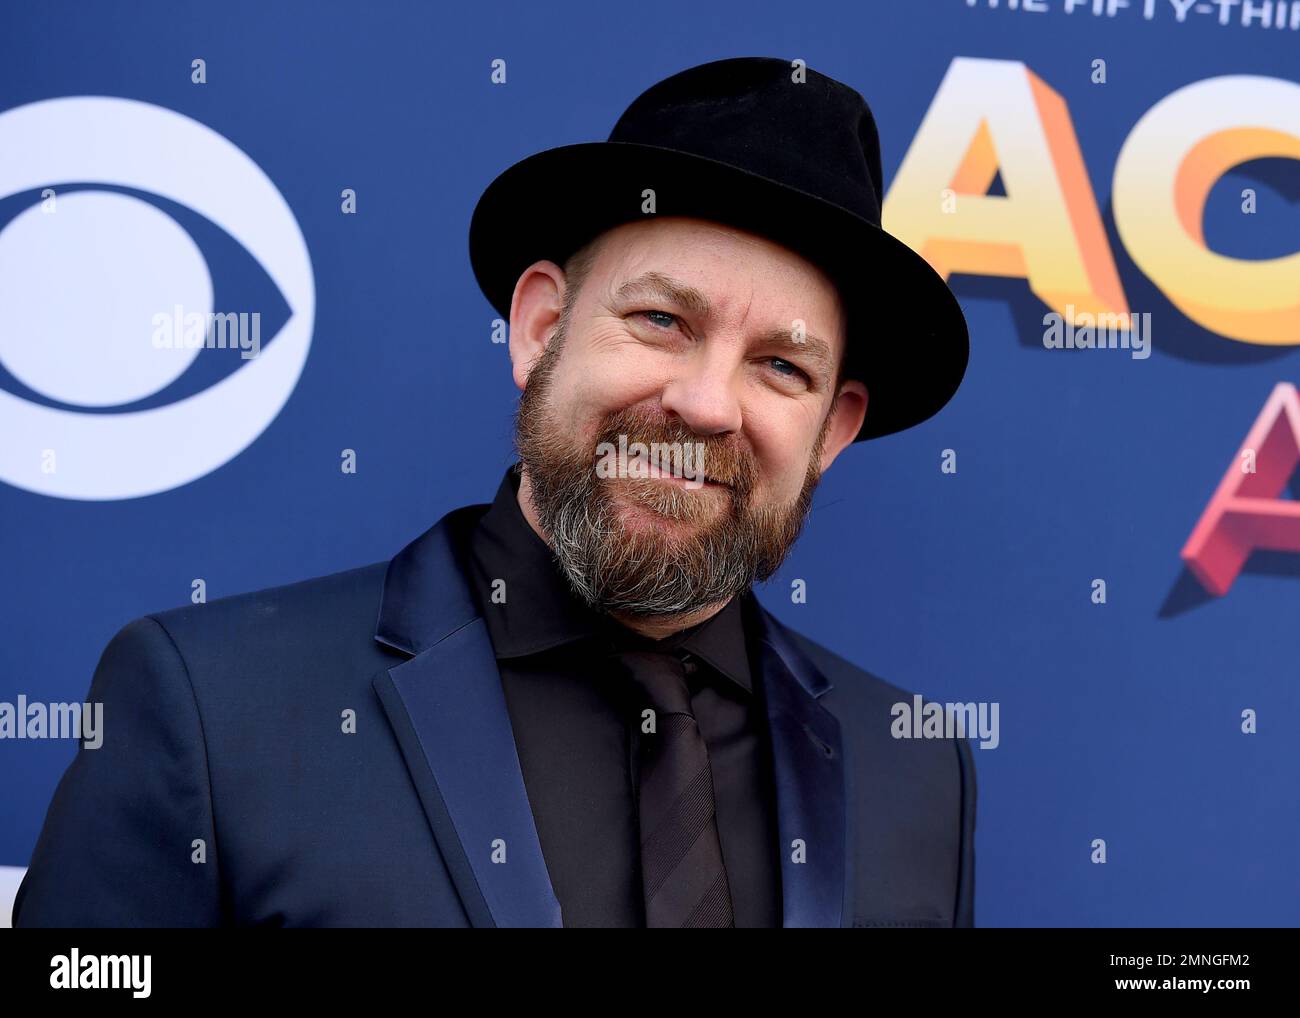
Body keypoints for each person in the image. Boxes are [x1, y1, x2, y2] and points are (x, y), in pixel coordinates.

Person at [14, 56, 974, 928]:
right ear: (540, 326)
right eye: (660, 320)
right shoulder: (212, 710)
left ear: (832, 430)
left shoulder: (915, 768)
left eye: (780, 368)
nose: (706, 404)